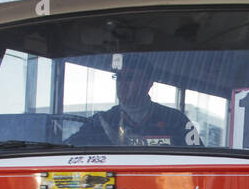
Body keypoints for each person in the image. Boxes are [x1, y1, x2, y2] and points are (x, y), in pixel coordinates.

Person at [71, 55, 199, 148]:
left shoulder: (175, 120)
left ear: (148, 83)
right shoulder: (100, 121)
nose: (122, 84)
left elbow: (197, 158)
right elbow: (68, 148)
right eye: (119, 78)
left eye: (130, 78)